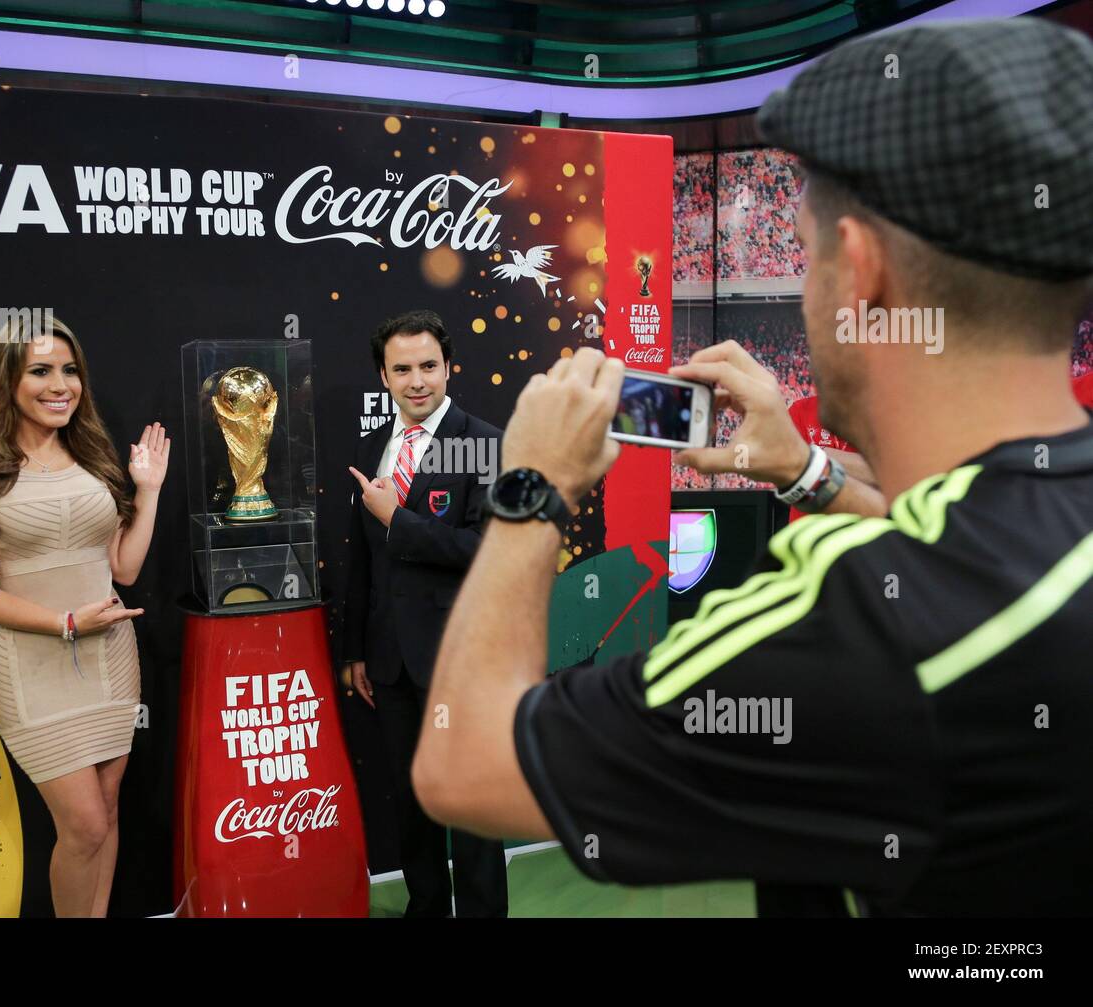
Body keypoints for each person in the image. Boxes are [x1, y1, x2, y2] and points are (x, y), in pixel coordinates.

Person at [412, 17, 1093, 916]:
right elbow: (971, 541)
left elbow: (465, 766)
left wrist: (529, 490)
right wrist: (805, 470)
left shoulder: (852, 622)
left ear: (861, 271)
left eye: (806, 257)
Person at [0, 315, 170, 918]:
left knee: (109, 809)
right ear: (8, 379)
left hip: (110, 657)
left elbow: (125, 569)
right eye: (40, 370)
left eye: (69, 371)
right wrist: (65, 624)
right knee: (84, 825)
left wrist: (149, 490)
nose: (59, 384)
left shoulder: (92, 458)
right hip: (30, 665)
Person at [343, 309, 508, 917]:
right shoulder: (370, 449)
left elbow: (489, 550)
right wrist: (355, 650)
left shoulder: (484, 443)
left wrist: (399, 520)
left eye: (428, 366)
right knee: (410, 801)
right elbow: (360, 561)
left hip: (461, 660)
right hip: (390, 664)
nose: (417, 381)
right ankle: (426, 906)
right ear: (383, 377)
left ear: (449, 368)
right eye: (402, 369)